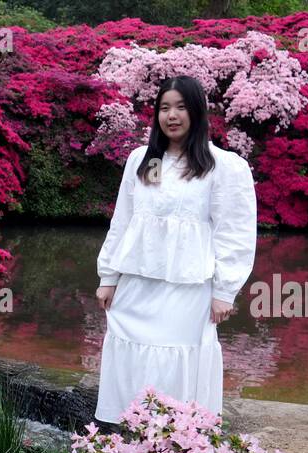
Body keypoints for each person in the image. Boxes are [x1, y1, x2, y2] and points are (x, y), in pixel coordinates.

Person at [94, 75, 258, 426]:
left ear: (197, 112)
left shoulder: (222, 166)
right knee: (130, 350)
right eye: (165, 108)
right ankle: (132, 435)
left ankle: (178, 436)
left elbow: (235, 232)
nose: (172, 116)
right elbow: (125, 220)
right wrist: (109, 275)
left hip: (188, 286)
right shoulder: (145, 160)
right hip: (137, 283)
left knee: (179, 355)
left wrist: (225, 290)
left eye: (181, 107)